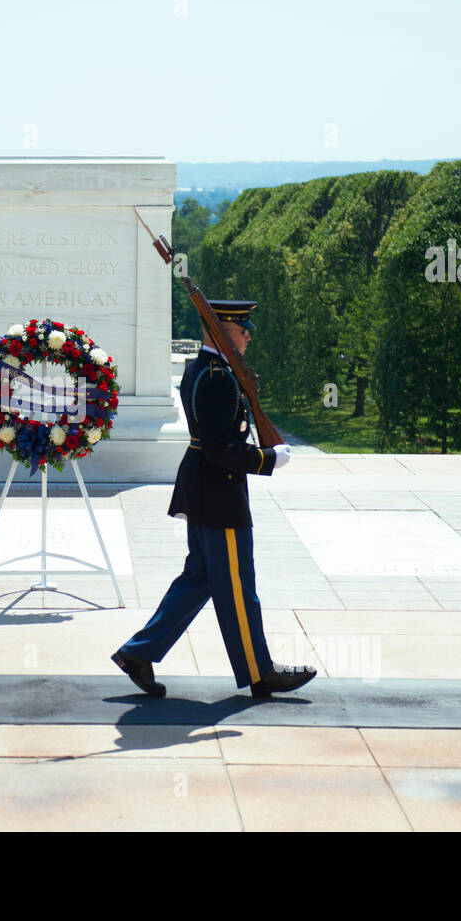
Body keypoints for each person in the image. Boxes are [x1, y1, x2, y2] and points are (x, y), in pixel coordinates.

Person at [111, 299, 316, 698]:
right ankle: (260, 671)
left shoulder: (203, 369)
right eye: (242, 329)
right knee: (238, 586)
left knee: (200, 578)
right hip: (219, 492)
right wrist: (267, 459)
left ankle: (138, 653)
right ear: (221, 332)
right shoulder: (219, 377)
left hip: (204, 486)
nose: (248, 335)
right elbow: (221, 449)